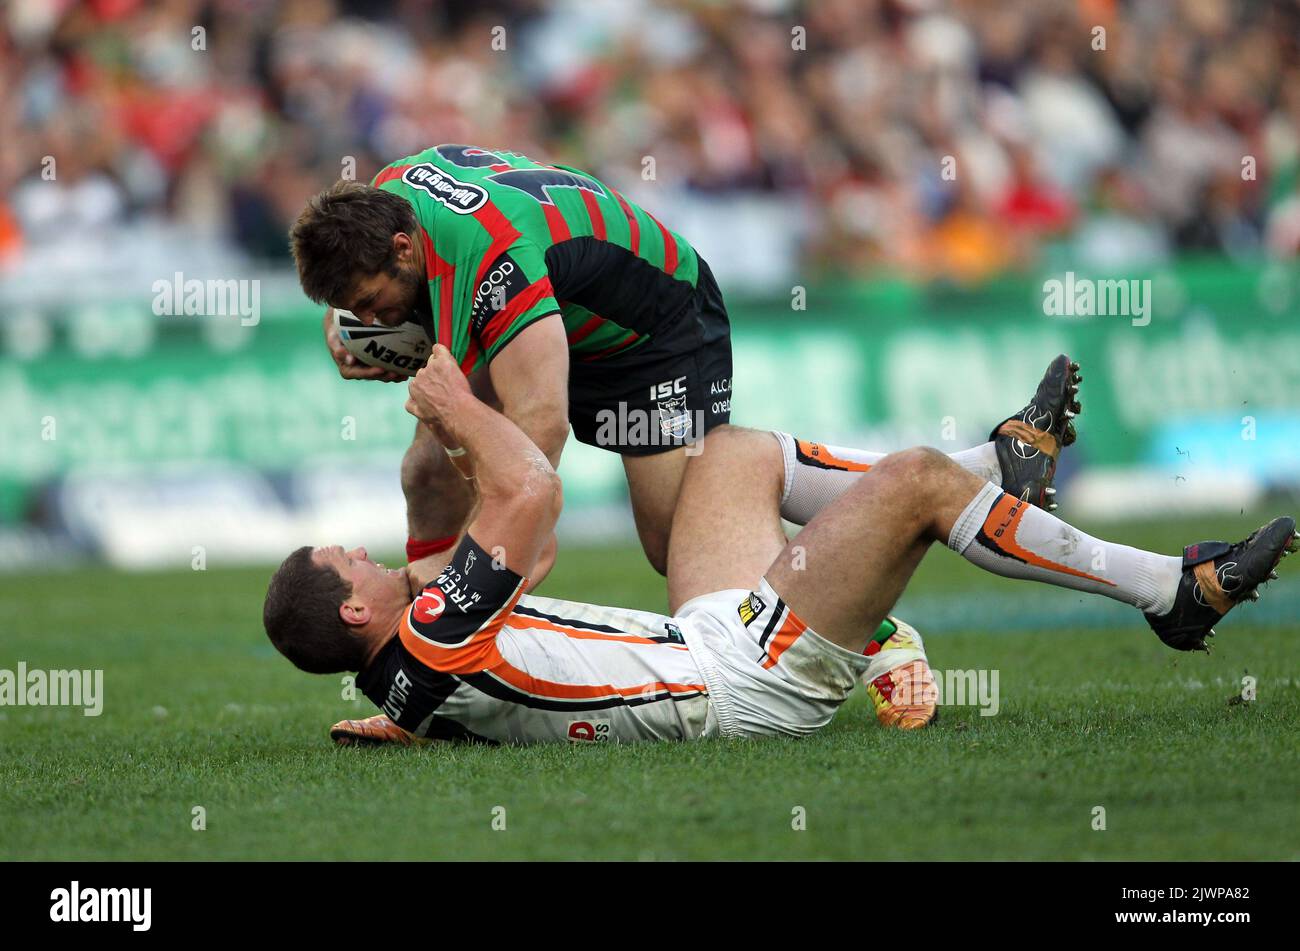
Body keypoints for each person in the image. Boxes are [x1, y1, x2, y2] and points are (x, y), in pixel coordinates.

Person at [262, 347, 1295, 746]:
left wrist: (437, 403)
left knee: (733, 454)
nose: (367, 553)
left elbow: (452, 511)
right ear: (357, 610)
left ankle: (1000, 461)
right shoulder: (433, 636)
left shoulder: (414, 656)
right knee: (910, 484)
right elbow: (528, 487)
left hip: (699, 635)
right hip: (737, 683)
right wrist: (449, 394)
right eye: (349, 562)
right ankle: (1171, 589)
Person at [289, 144, 1075, 579]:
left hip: (656, 332)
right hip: (567, 318)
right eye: (357, 311)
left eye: (374, 300)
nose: (373, 319)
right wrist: (361, 328)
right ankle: (423, 642)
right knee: (427, 465)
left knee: (688, 552)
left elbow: (538, 428)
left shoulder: (492, 260)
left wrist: (511, 555)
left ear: (402, 247)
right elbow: (419, 310)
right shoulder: (390, 201)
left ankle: (892, 621)